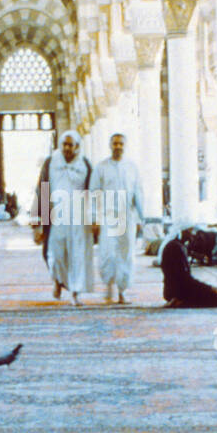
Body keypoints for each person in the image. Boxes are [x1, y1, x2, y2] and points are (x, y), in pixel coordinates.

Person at [33, 129, 95, 305]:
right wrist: (38, 219)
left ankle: (75, 292)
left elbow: (93, 190)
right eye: (64, 144)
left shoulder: (85, 165)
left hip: (78, 217)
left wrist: (94, 217)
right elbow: (42, 189)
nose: (67, 148)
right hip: (56, 216)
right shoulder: (50, 162)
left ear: (77, 147)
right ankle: (58, 280)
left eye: (71, 145)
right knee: (54, 254)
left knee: (76, 255)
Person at [92, 133, 145, 303]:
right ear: (110, 145)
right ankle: (108, 287)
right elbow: (93, 193)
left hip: (127, 216)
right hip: (107, 216)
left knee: (126, 254)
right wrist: (94, 218)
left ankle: (122, 291)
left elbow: (138, 194)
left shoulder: (132, 167)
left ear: (125, 145)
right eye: (115, 143)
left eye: (121, 143)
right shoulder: (101, 167)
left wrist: (140, 219)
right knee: (107, 253)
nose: (118, 146)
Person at [161, 228, 217, 308]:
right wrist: (209, 288)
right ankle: (181, 302)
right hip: (179, 292)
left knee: (214, 294)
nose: (193, 235)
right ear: (183, 231)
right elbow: (185, 280)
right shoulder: (175, 248)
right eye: (190, 232)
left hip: (170, 291)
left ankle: (180, 301)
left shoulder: (175, 245)